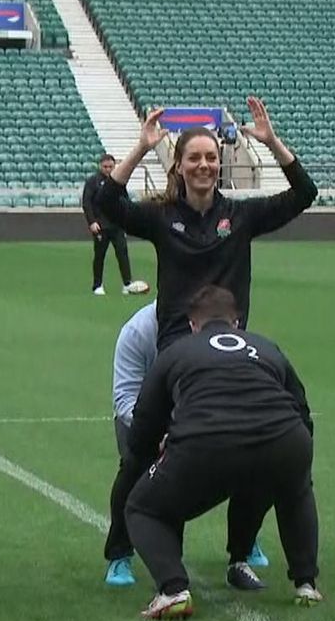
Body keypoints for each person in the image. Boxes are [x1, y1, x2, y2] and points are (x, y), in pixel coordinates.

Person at [125, 286, 321, 619]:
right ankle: (306, 584)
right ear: (237, 322)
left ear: (192, 325)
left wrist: (152, 456)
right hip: (284, 436)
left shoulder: (177, 351)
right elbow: (301, 408)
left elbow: (144, 422)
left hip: (204, 442)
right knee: (294, 486)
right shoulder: (266, 346)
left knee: (142, 507)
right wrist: (298, 458)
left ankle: (173, 589)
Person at [94, 97, 318, 350]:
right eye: (194, 158)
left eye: (211, 157)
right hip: (178, 350)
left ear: (219, 164)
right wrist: (141, 148)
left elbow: (305, 193)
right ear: (179, 166)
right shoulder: (160, 217)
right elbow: (106, 201)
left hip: (228, 346)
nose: (203, 165)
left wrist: (272, 142)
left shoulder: (241, 215)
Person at [102, 300, 269, 590]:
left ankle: (245, 544)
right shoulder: (137, 333)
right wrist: (161, 430)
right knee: (133, 470)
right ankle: (120, 554)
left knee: (252, 460)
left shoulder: (215, 331)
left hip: (198, 421)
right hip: (142, 420)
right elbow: (125, 398)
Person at [82, 153, 142, 296]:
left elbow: (125, 201)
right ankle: (97, 285)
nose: (108, 169)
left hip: (117, 224)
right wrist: (92, 221)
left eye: (110, 166)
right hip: (101, 225)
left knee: (122, 253)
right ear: (100, 166)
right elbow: (87, 203)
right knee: (100, 255)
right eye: (105, 167)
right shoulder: (93, 181)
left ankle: (127, 283)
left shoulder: (118, 182)